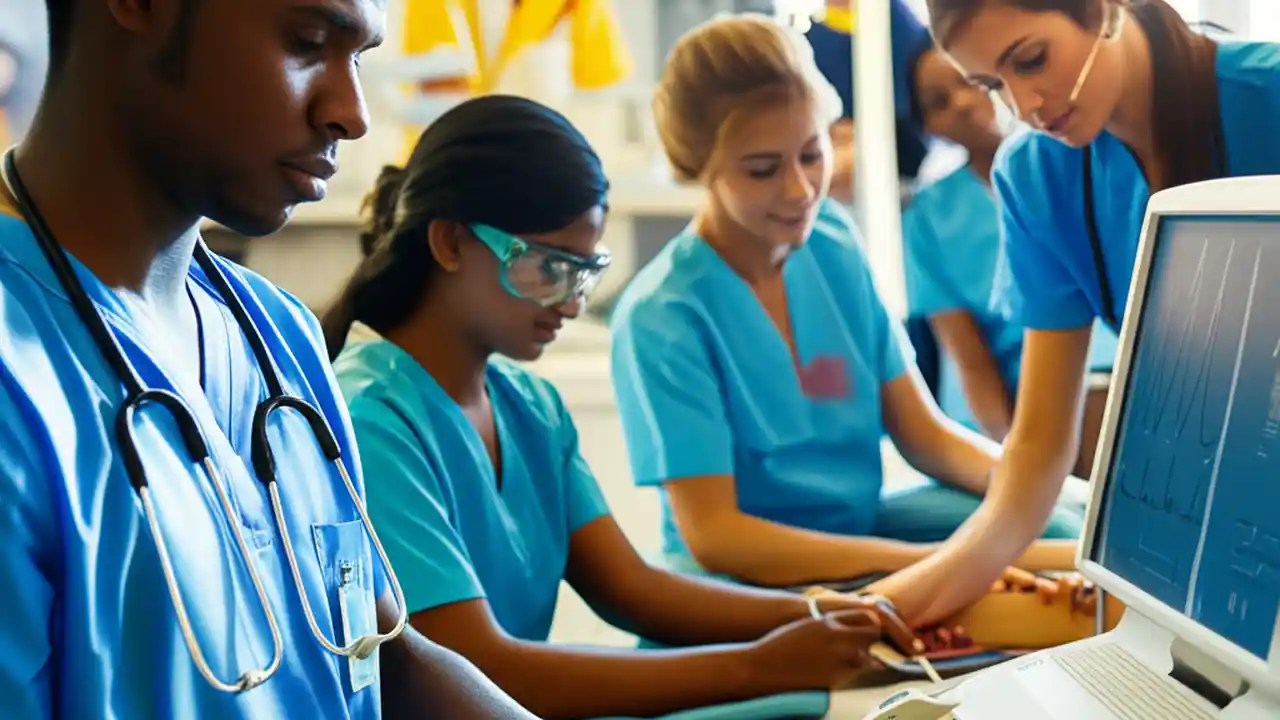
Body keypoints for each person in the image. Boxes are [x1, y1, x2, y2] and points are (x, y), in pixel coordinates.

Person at [0, 1, 539, 717]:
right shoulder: (18, 373)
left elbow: (385, 656)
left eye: (359, 58)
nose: (352, 114)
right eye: (307, 42)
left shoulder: (278, 333)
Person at [322, 94, 919, 720]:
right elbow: (480, 669)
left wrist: (819, 613)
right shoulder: (371, 421)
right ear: (449, 243)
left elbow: (631, 588)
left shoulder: (530, 407)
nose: (572, 303)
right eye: (550, 267)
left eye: (585, 272)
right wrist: (760, 665)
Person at [609, 13, 1081, 592]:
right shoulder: (663, 317)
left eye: (812, 155)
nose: (799, 190)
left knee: (1062, 525)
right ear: (699, 166)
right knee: (1007, 565)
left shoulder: (832, 242)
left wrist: (1057, 491)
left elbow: (925, 436)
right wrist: (932, 565)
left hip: (863, 530)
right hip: (747, 579)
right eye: (762, 170)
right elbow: (717, 536)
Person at [868, 0, 1280, 628]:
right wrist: (877, 610)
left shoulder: (1267, 94)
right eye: (993, 84)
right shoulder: (1036, 177)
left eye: (1032, 60)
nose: (1023, 106)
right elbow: (1035, 455)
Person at [901, 44, 1119, 443]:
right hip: (1023, 398)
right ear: (928, 125)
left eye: (973, 83)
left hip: (1115, 368)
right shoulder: (928, 217)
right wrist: (1010, 452)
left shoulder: (1076, 159)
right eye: (939, 102)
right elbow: (968, 357)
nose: (962, 103)